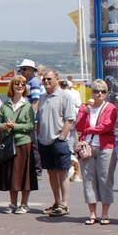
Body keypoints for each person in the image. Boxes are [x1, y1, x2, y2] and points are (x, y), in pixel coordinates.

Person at [74, 79, 117, 225]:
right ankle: (92, 213)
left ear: (106, 93)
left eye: (103, 91)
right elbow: (79, 126)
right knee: (88, 179)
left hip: (106, 147)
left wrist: (89, 129)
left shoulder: (110, 108)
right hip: (88, 147)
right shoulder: (84, 107)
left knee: (105, 180)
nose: (99, 94)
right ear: (91, 92)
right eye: (96, 91)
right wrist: (85, 114)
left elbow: (107, 126)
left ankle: (105, 213)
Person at [35, 70, 77, 216]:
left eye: (49, 79)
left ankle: (64, 203)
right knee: (51, 173)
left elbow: (69, 119)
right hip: (44, 141)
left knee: (62, 172)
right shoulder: (42, 98)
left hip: (58, 140)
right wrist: (38, 135)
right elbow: (39, 120)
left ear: (57, 79)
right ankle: (56, 201)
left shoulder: (65, 96)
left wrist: (61, 137)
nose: (46, 82)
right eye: (44, 79)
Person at [0, 74, 37, 213]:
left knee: (25, 174)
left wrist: (16, 126)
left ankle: (24, 204)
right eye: (17, 84)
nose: (20, 86)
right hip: (9, 143)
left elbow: (31, 126)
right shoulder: (5, 105)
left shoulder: (27, 106)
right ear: (12, 86)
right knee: (11, 174)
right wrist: (5, 126)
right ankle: (13, 203)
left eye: (22, 84)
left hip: (23, 142)